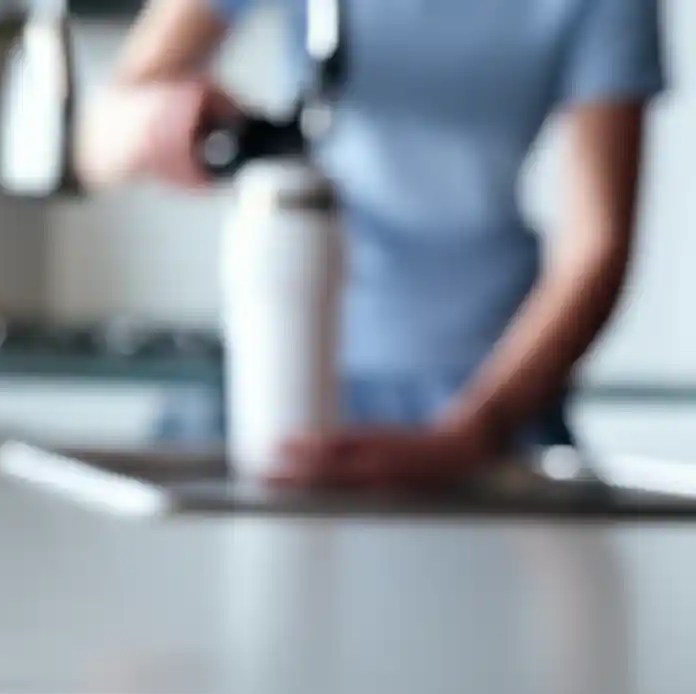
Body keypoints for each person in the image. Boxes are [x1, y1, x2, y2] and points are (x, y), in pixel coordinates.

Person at [78, 0, 664, 488]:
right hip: (285, 366)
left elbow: (597, 245)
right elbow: (96, 142)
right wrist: (162, 122)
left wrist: (470, 437)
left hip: (490, 388)